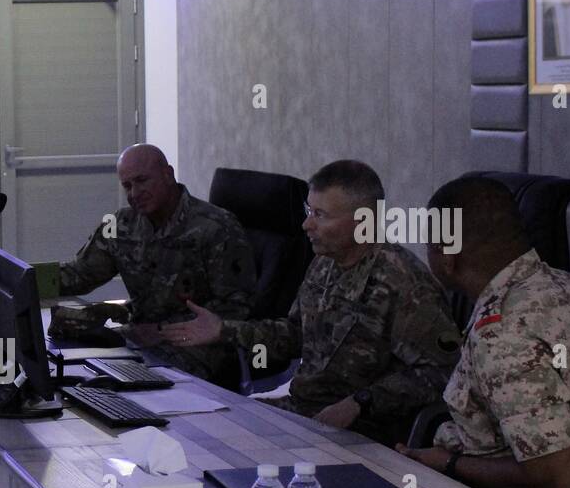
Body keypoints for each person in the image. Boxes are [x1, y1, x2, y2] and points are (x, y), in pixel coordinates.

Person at [164, 160, 461, 445]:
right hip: (306, 411)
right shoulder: (324, 263)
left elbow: (441, 374)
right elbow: (295, 334)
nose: (306, 224)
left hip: (363, 430)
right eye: (309, 210)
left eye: (320, 215)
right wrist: (224, 331)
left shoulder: (404, 281)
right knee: (198, 430)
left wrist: (361, 402)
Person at [398, 177, 570, 488]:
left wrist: (445, 464)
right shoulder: (565, 286)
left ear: (448, 256)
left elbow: (559, 478)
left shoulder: (503, 330)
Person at [54, 144, 255, 385]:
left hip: (197, 346)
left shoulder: (216, 227)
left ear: (168, 175)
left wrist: (161, 331)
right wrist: (24, 277)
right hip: (140, 336)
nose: (134, 193)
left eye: (142, 181)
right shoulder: (121, 224)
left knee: (127, 382)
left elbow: (236, 309)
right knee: (69, 355)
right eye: (127, 186)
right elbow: (80, 274)